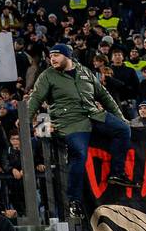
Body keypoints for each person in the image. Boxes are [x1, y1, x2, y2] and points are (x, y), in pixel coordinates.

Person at [24, 43, 134, 219]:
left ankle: (117, 173)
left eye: (56, 55)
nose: (52, 59)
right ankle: (74, 201)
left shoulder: (84, 71)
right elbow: (36, 97)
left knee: (123, 129)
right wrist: (25, 120)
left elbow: (104, 95)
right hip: (70, 122)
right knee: (79, 154)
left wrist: (120, 117)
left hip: (93, 114)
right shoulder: (47, 75)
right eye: (51, 56)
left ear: (68, 56)